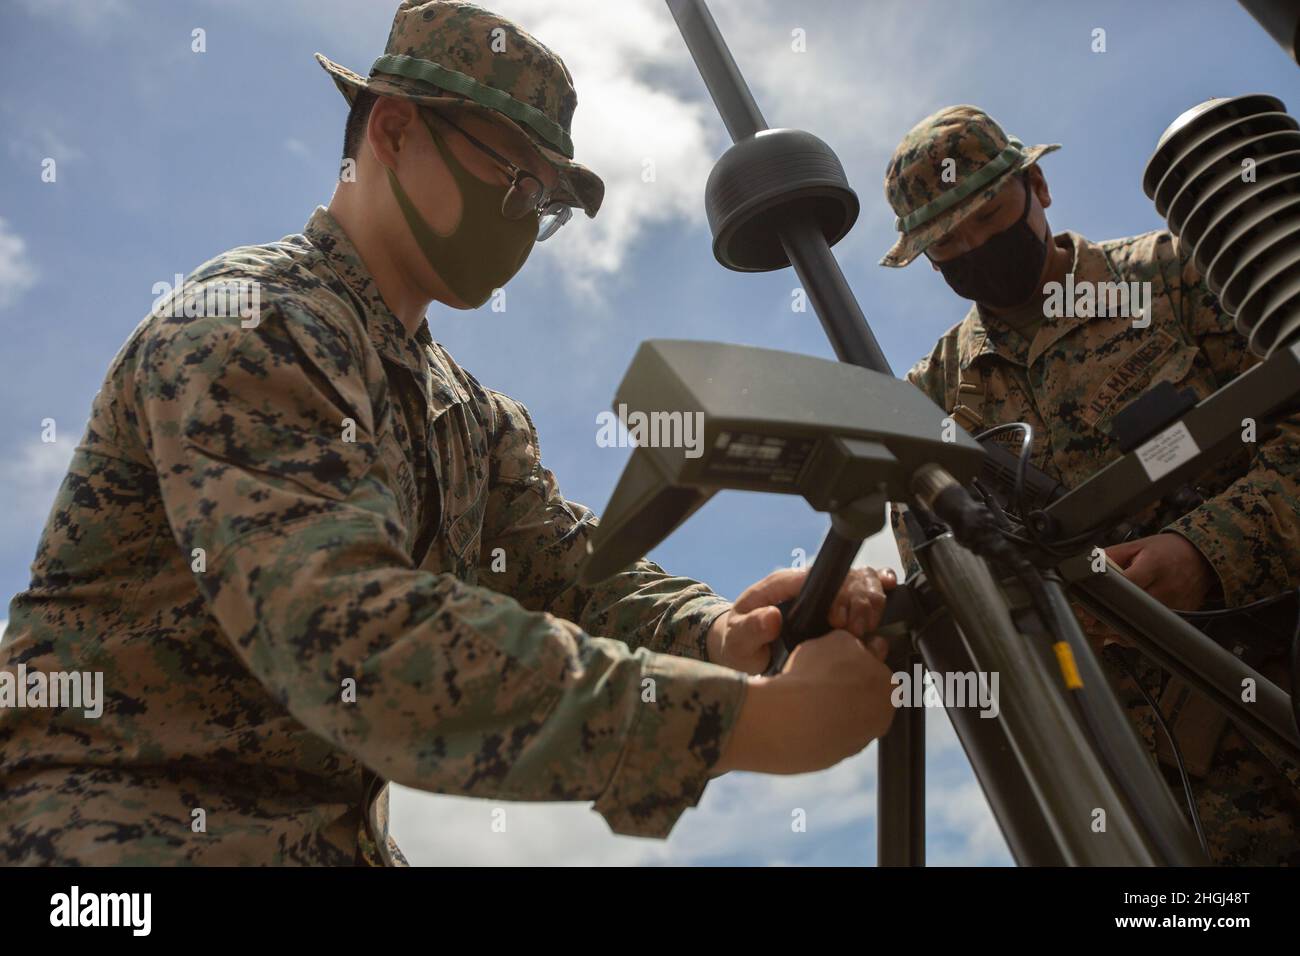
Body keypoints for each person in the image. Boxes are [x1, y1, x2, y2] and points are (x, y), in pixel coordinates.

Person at [0, 0, 900, 866]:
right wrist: (739, 725)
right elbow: (351, 635)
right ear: (393, 132)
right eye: (516, 179)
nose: (526, 222)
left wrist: (721, 628)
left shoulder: (470, 416)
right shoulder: (251, 326)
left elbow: (572, 574)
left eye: (545, 203)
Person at [879, 104, 1300, 865]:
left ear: (1036, 184)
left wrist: (1204, 551)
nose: (974, 246)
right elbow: (952, 600)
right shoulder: (933, 404)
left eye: (987, 215)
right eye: (948, 243)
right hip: (1160, 795)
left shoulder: (1174, 276)